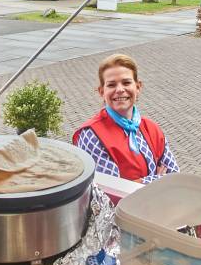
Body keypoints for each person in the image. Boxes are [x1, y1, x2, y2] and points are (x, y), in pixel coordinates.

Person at [74, 54, 179, 184]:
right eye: (111, 85)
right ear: (101, 91)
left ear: (138, 87)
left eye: (126, 82)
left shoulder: (152, 128)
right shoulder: (92, 135)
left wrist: (136, 182)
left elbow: (175, 179)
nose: (119, 89)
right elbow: (110, 193)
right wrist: (157, 179)